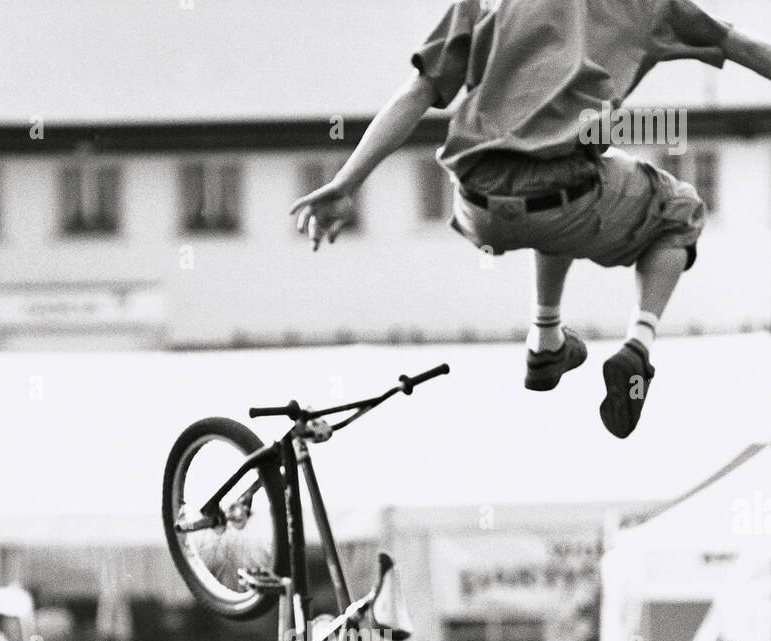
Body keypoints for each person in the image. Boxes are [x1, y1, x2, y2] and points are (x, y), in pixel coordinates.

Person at [290, 1, 771, 439]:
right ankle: (638, 349)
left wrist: (347, 183)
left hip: (477, 202)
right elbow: (740, 44)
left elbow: (417, 93)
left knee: (575, 160)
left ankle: (546, 342)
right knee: (679, 207)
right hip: (565, 197)